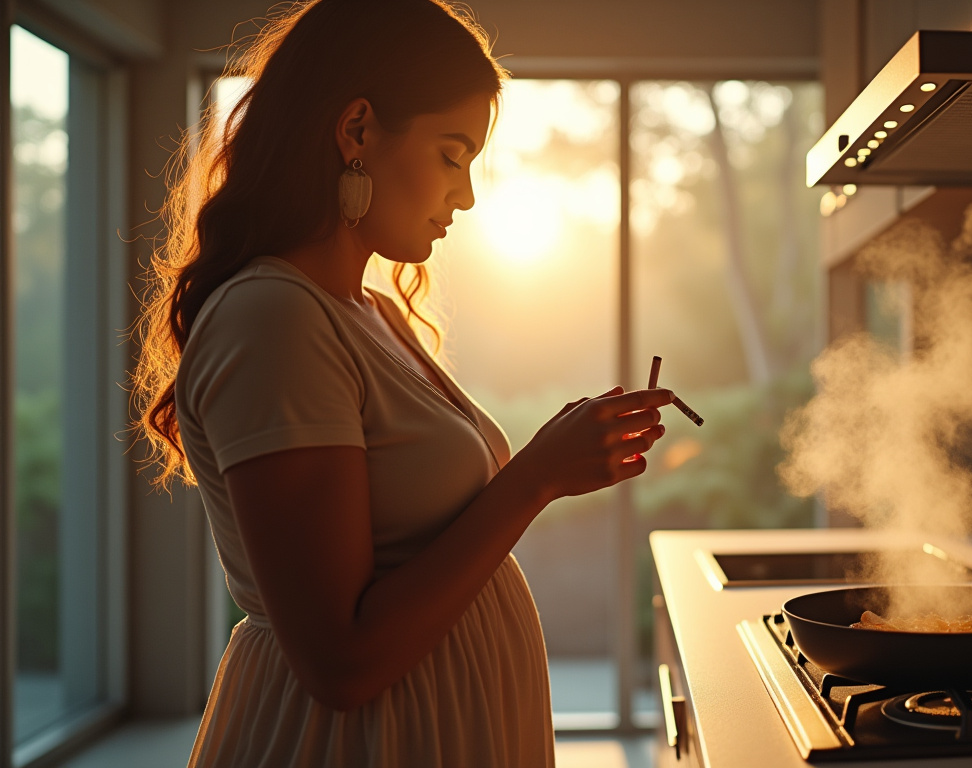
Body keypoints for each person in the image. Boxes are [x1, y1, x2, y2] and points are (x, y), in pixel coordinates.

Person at [130, 1, 671, 765]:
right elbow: (341, 664)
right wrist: (535, 478)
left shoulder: (370, 311)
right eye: (454, 154)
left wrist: (553, 459)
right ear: (357, 132)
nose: (468, 194)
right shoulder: (273, 318)